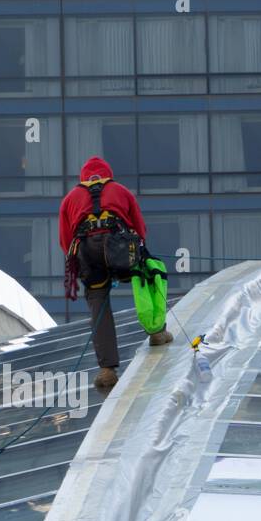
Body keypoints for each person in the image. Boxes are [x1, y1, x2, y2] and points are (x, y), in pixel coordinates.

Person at [59, 156, 173, 389]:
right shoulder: (120, 190)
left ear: (83, 178)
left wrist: (81, 263)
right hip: (120, 247)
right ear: (107, 174)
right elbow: (139, 227)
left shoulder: (71, 198)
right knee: (145, 276)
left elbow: (65, 240)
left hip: (88, 251)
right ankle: (157, 332)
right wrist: (139, 250)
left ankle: (107, 370)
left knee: (98, 301)